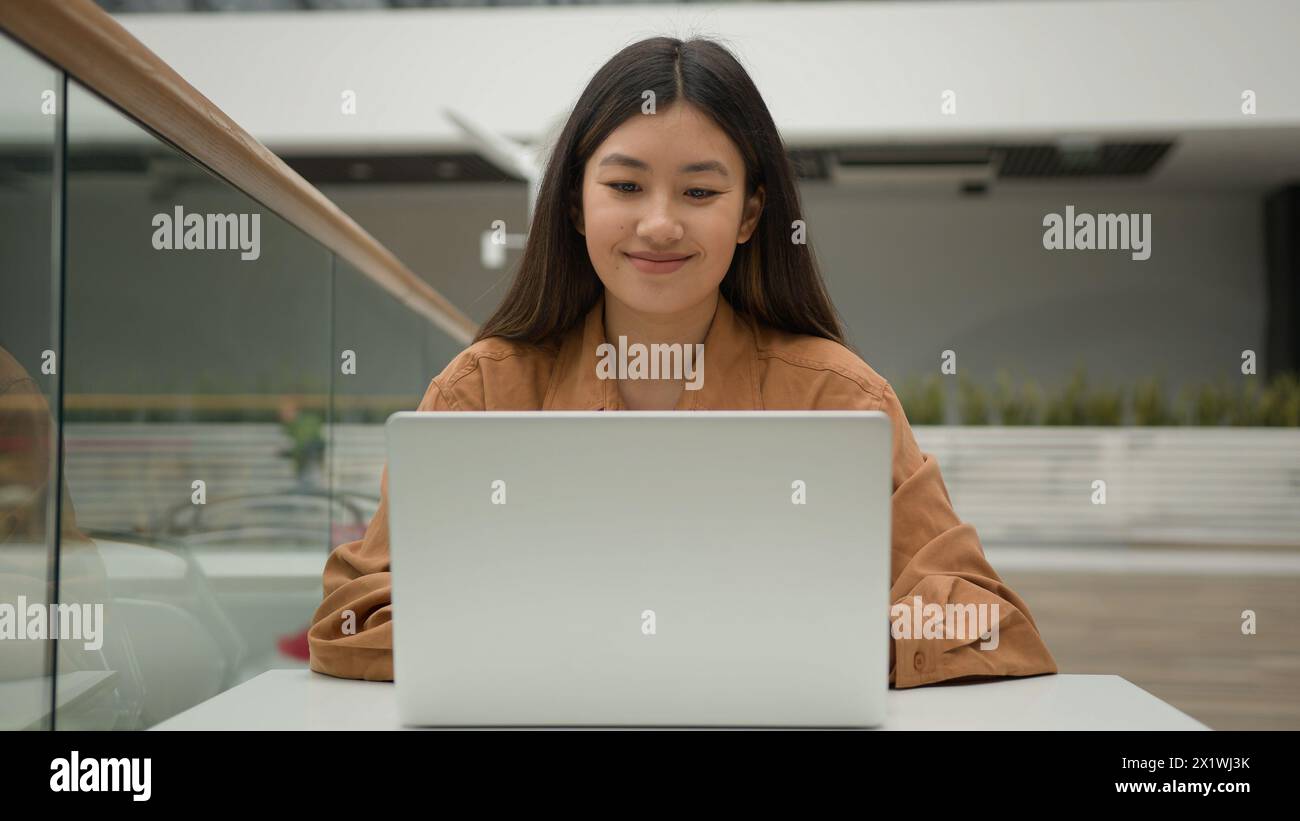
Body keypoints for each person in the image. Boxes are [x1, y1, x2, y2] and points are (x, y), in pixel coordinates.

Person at [308, 36, 1057, 689]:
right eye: (625, 185)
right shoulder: (483, 389)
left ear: (751, 214)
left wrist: (807, 643)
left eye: (699, 190)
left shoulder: (839, 398)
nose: (660, 223)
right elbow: (351, 617)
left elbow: (988, 622)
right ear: (574, 203)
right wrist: (567, 639)